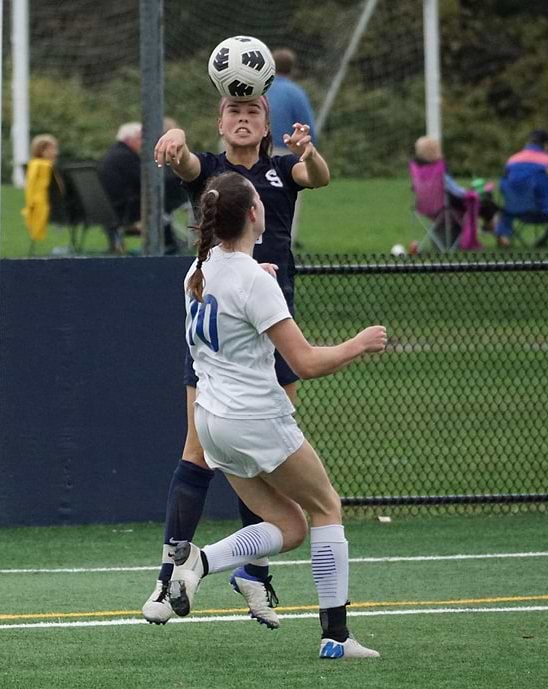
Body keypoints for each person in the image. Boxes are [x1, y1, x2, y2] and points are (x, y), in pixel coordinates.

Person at [169, 170, 386, 659]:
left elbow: (233, 304)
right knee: (327, 505)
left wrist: (257, 277)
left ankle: (200, 561)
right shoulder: (250, 279)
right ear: (252, 214)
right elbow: (305, 363)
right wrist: (357, 344)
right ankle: (336, 637)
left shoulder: (198, 270)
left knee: (289, 526)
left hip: (211, 421)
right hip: (254, 419)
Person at [141, 95, 329, 628]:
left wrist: (308, 151)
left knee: (265, 458)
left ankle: (253, 572)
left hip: (274, 327)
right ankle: (168, 575)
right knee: (197, 454)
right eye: (233, 112)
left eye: (253, 113)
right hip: (222, 340)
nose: (243, 119)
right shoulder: (212, 171)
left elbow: (318, 176)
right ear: (220, 124)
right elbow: (184, 163)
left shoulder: (281, 170)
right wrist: (173, 137)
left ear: (266, 125)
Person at [98, 122, 179, 255]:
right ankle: (169, 245)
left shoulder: (113, 154)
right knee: (160, 199)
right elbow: (147, 181)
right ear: (130, 139)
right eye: (141, 138)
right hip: (126, 210)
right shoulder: (125, 157)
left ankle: (168, 244)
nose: (143, 143)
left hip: (112, 209)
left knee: (159, 199)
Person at [266, 48, 317, 249]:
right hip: (286, 154)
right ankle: (286, 243)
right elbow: (306, 125)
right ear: (292, 68)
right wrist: (312, 152)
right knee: (288, 200)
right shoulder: (296, 92)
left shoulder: (261, 88)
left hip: (256, 150)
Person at [496, 129, 548, 248]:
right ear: (546, 145)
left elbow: (504, 187)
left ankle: (503, 235)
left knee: (507, 207)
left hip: (516, 211)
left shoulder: (512, 160)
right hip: (544, 212)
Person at [20, 134, 59, 255]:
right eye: (53, 149)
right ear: (42, 150)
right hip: (54, 208)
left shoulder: (32, 165)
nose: (56, 153)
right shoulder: (45, 167)